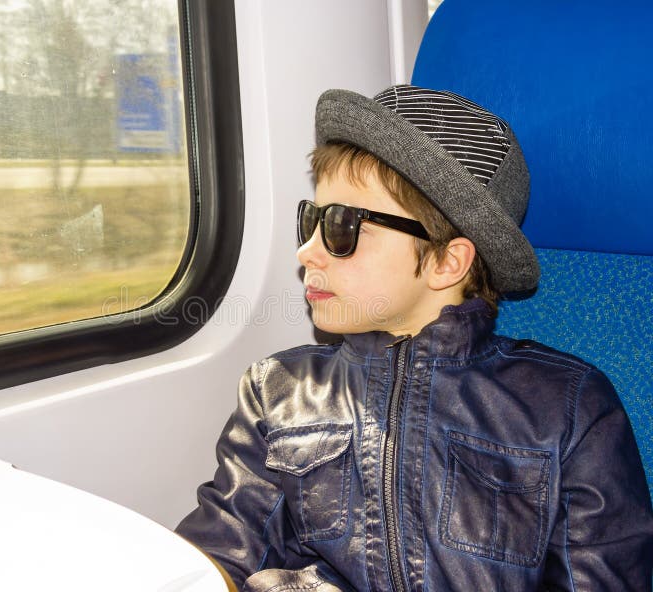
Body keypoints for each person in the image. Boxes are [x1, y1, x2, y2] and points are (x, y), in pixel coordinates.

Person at [175, 85, 653, 591]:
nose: (307, 252)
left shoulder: (569, 407)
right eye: (310, 221)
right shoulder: (277, 391)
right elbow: (217, 555)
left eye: (340, 227)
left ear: (448, 262)